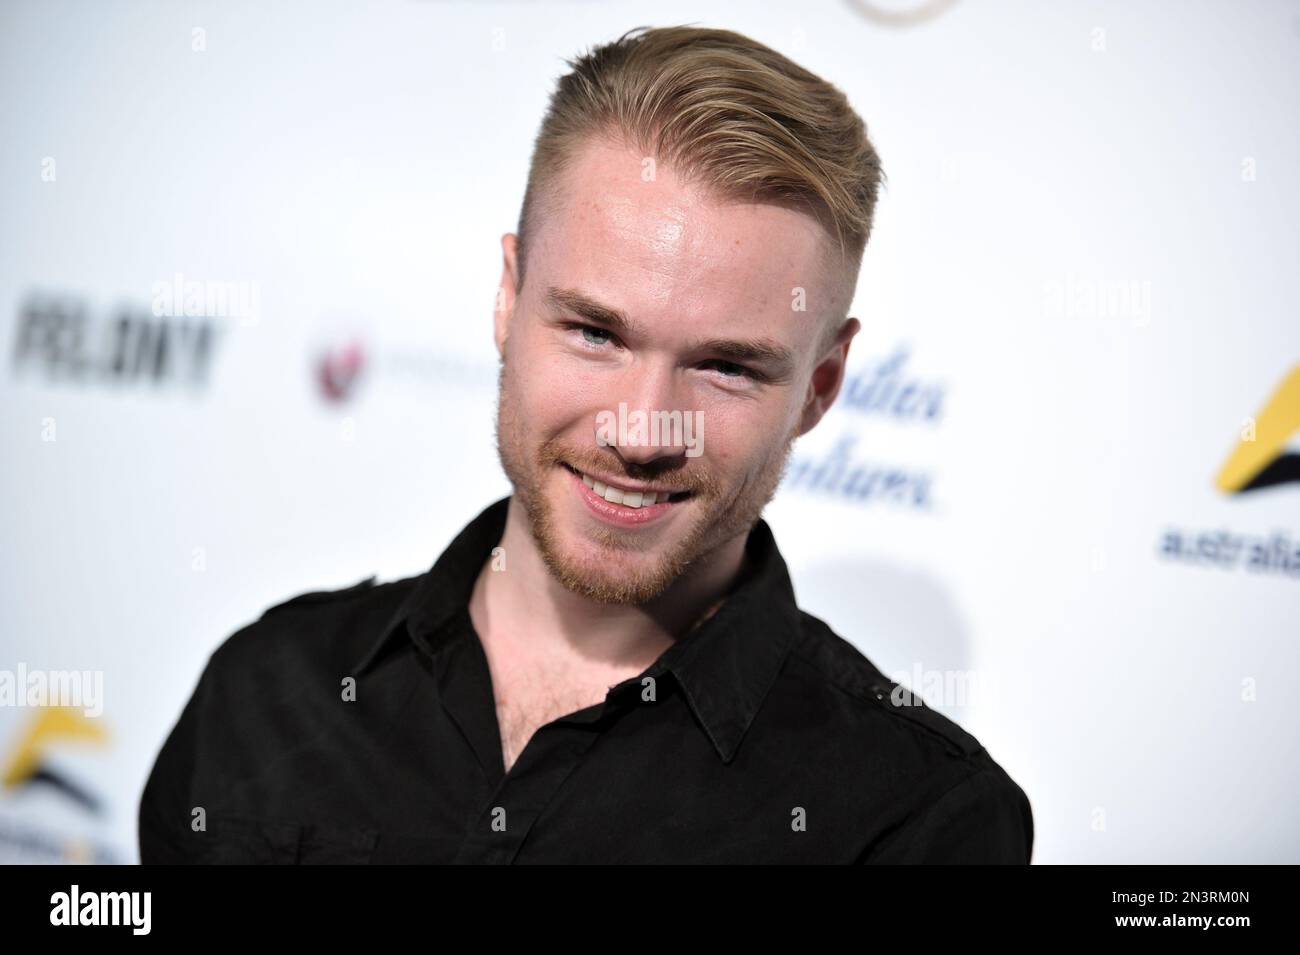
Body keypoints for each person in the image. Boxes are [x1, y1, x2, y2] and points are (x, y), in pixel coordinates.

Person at [139, 24, 1032, 864]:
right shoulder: (268, 692)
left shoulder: (914, 821)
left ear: (821, 386)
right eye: (596, 334)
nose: (641, 431)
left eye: (726, 366)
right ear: (508, 296)